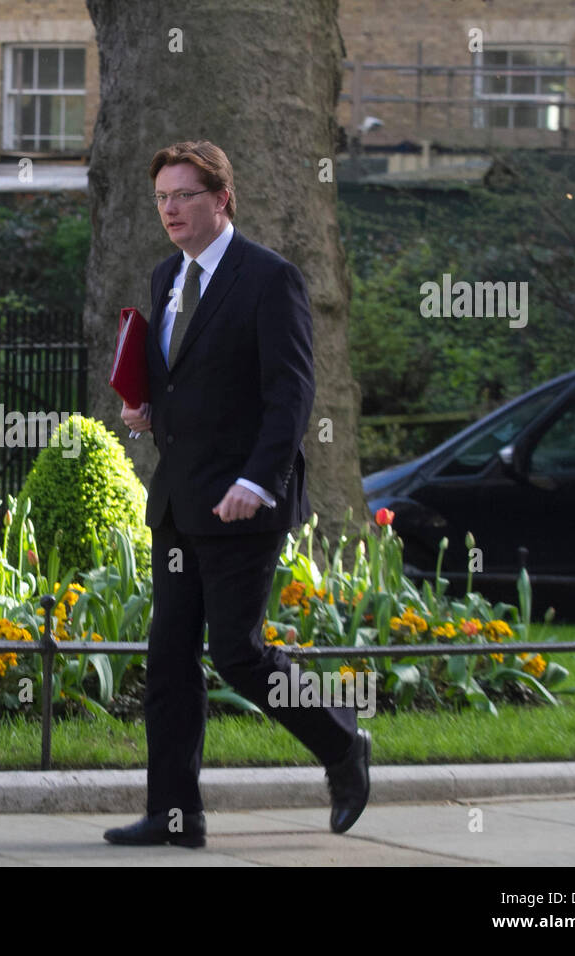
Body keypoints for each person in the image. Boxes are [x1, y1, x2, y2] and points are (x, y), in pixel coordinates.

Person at [105, 141, 370, 848]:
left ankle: (343, 745)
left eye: (184, 195)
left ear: (222, 198)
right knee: (167, 661)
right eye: (161, 197)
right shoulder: (167, 275)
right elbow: (182, 381)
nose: (170, 210)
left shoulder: (268, 278)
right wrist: (145, 409)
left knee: (239, 654)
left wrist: (259, 480)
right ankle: (173, 815)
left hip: (244, 504)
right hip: (179, 503)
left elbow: (290, 394)